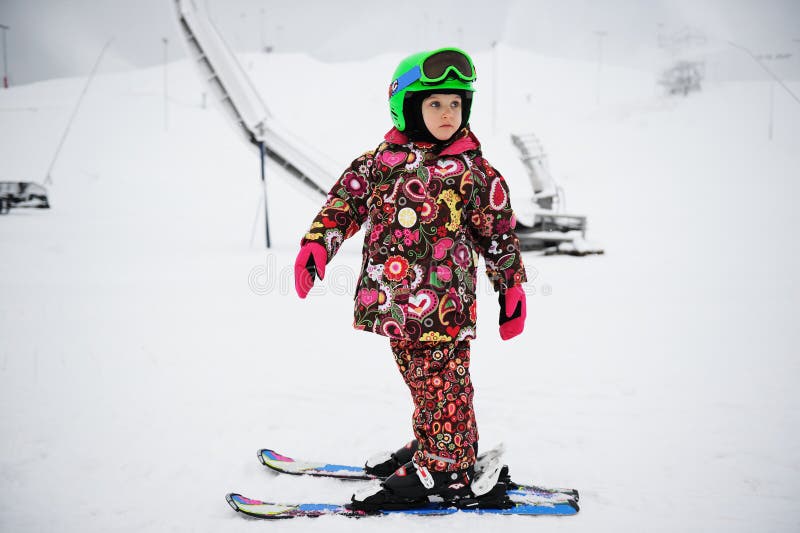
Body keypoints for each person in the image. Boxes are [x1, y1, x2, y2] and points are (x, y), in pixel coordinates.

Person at [293, 47, 527, 511]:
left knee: (445, 382)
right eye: (435, 103)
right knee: (424, 382)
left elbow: (497, 231)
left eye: (456, 103)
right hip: (394, 304)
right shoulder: (381, 163)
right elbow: (345, 202)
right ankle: (436, 445)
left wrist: (511, 286)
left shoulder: (473, 171)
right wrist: (318, 243)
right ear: (408, 106)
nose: (447, 113)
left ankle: (445, 466)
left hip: (445, 305)